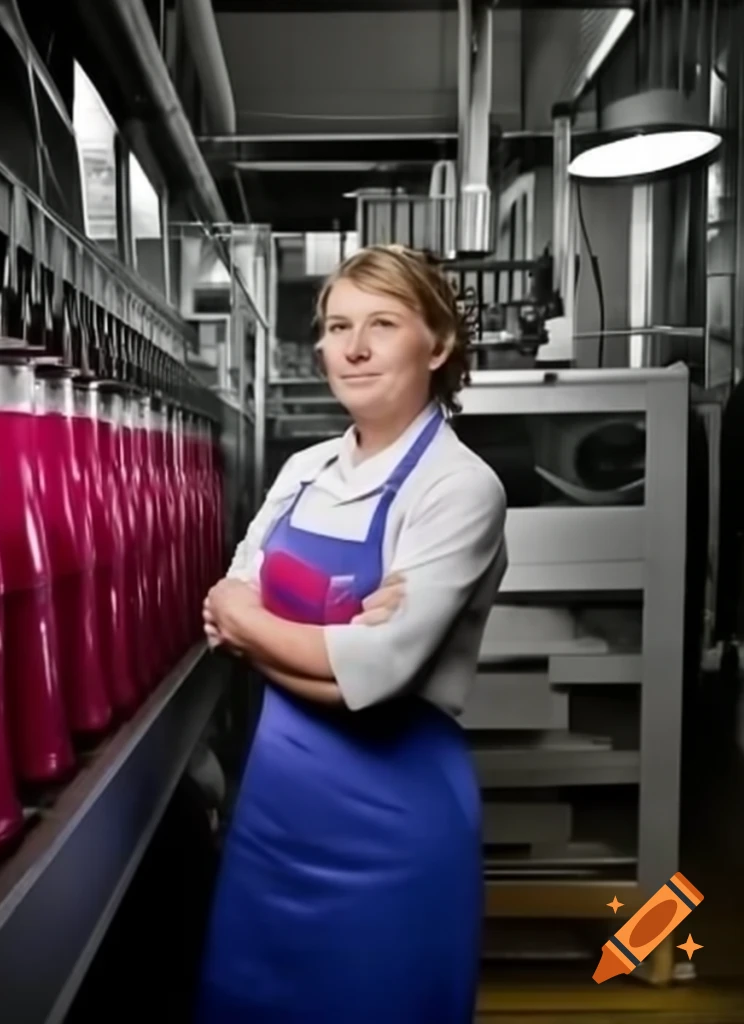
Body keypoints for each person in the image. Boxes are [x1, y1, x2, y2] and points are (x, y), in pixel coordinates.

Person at [195, 244, 508, 1024]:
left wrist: (259, 625)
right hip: (273, 815)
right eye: (338, 326)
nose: (354, 347)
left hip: (396, 827)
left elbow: (375, 677)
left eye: (382, 324)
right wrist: (325, 644)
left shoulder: (461, 488)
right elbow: (222, 615)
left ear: (437, 346)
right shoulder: (302, 470)